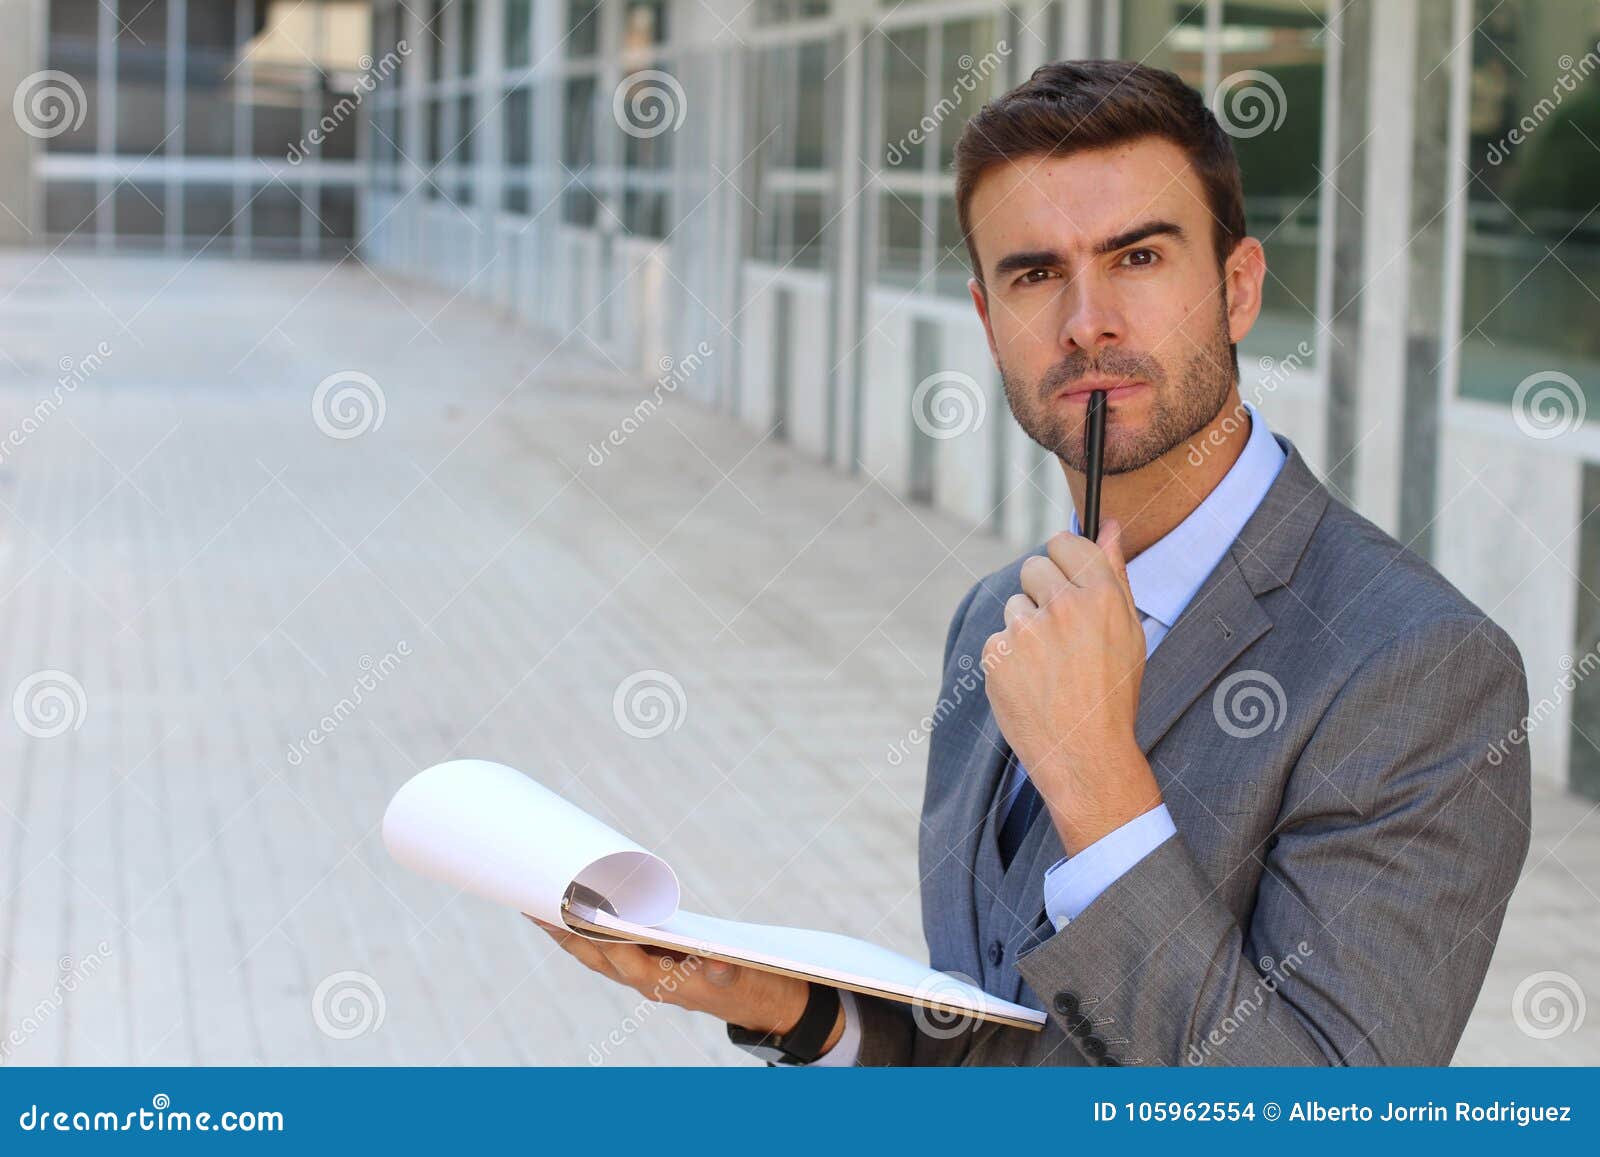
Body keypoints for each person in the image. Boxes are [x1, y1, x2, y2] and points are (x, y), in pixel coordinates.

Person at [535, 59, 1532, 1066]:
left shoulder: (1421, 667)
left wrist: (1094, 777)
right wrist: (805, 1011)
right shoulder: (995, 618)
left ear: (1236, 289)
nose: (1085, 321)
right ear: (988, 321)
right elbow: (1010, 1038)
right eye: (1036, 274)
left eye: (1138, 257)